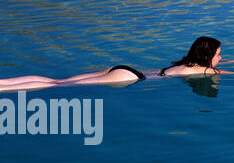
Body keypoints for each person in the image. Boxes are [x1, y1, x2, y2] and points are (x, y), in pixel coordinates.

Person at [0, 64, 146, 92]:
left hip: (124, 69)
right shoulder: (170, 73)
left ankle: (3, 83)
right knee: (57, 85)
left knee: (58, 81)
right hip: (129, 76)